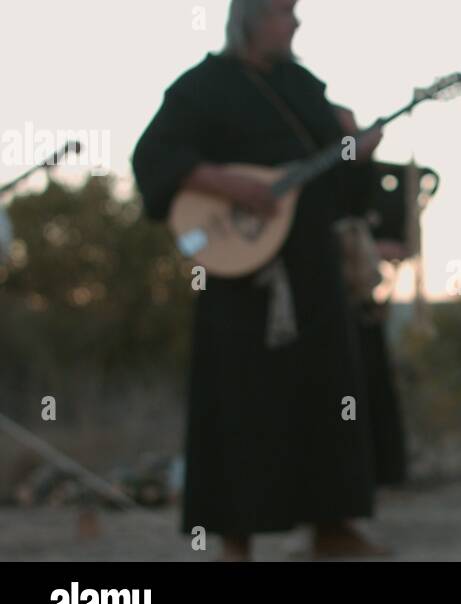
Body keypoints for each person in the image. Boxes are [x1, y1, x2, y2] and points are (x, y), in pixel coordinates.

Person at [132, 0, 385, 561]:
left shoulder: (302, 85)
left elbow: (339, 178)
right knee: (237, 400)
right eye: (280, 12)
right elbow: (153, 157)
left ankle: (331, 526)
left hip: (312, 266)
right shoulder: (201, 87)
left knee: (327, 390)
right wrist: (225, 183)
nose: (293, 22)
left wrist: (358, 150)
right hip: (238, 277)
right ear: (246, 18)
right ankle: (234, 536)